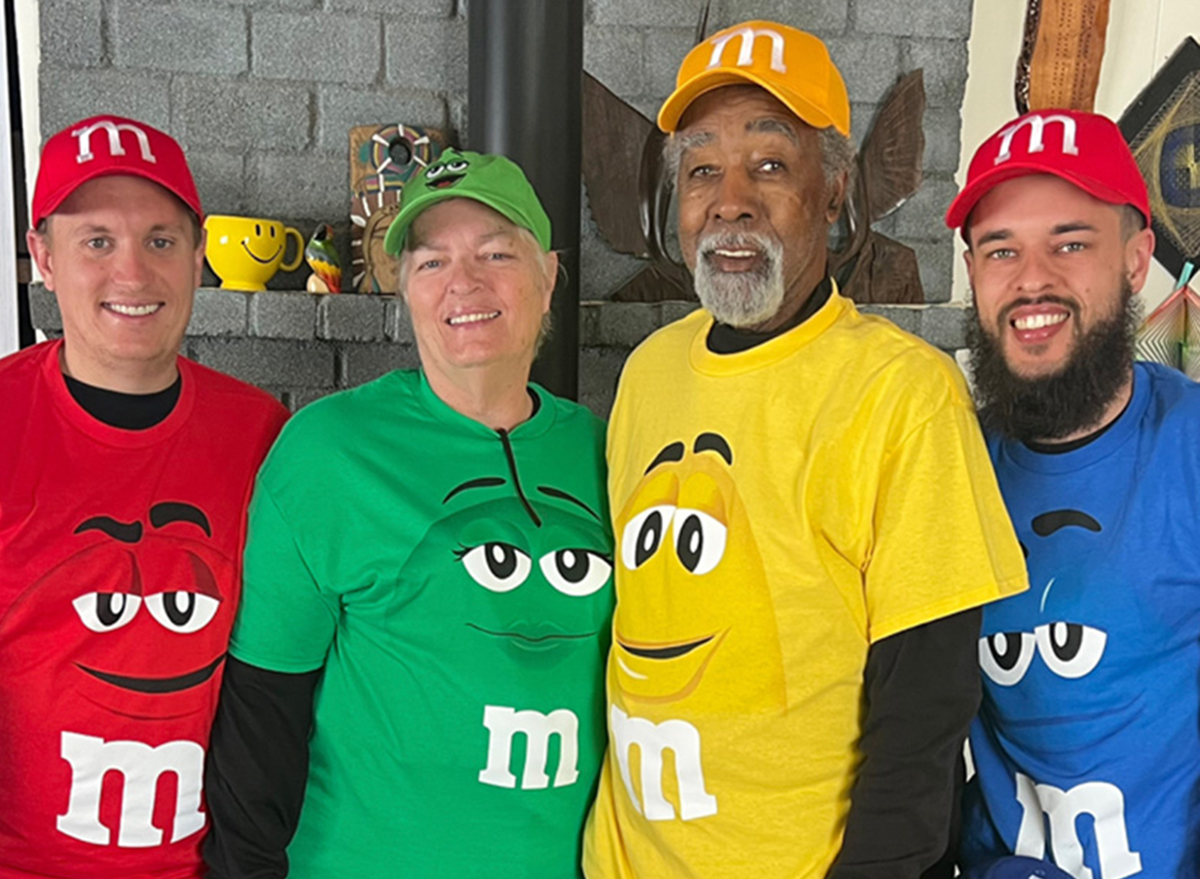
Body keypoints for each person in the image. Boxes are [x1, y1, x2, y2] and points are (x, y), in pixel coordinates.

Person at [582, 20, 1029, 879]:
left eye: (771, 165)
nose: (731, 198)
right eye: (703, 168)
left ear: (833, 192)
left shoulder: (904, 393)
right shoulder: (648, 372)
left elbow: (926, 710)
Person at [204, 149, 614, 879]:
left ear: (549, 276)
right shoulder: (327, 453)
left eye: (496, 252)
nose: (464, 281)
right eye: (431, 263)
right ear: (408, 292)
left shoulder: (607, 454)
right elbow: (259, 721)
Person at [0, 115, 288, 879]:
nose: (133, 273)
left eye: (161, 240)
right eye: (97, 240)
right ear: (43, 257)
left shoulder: (263, 434)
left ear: (198, 259)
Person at [947, 109, 1200, 879]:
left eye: (1070, 243)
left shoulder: (1188, 451)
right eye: (1001, 249)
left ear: (1135, 259)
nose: (1032, 280)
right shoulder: (946, 461)